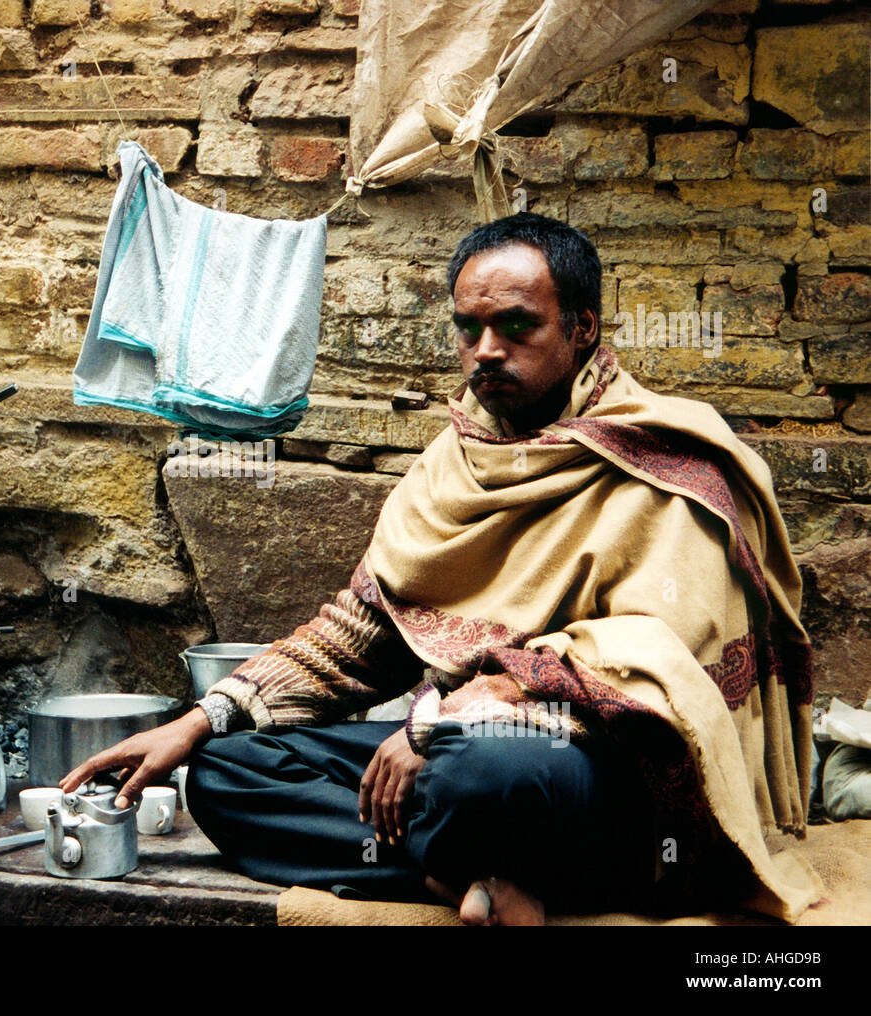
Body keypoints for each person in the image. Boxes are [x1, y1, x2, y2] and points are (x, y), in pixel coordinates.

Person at [61, 213, 821, 926]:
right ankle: (473, 879)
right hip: (458, 750)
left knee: (486, 774)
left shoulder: (671, 466)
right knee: (229, 775)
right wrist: (195, 723)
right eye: (470, 328)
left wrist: (445, 715)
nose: (487, 349)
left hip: (598, 769)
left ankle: (494, 859)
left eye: (517, 325)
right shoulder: (451, 463)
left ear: (583, 328)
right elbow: (357, 638)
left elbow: (665, 672)